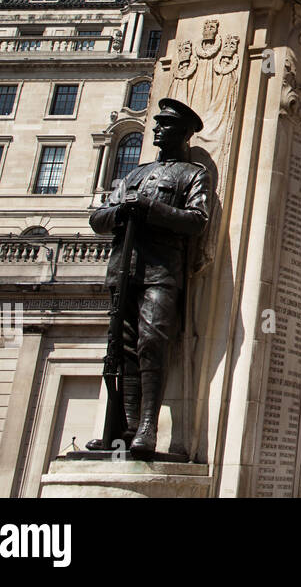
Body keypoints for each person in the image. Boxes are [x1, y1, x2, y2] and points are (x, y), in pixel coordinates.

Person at [86, 98, 211, 456]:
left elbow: (196, 220)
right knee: (120, 349)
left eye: (166, 125)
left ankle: (147, 427)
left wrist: (150, 209)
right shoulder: (133, 175)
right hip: (123, 269)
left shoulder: (192, 175)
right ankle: (121, 429)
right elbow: (98, 220)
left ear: (184, 133)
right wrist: (123, 211)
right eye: (156, 124)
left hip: (161, 270)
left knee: (151, 344)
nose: (157, 129)